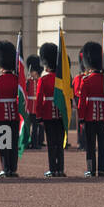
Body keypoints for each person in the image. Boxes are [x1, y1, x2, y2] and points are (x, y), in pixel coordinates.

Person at [75, 41, 104, 177]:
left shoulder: (86, 80)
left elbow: (82, 102)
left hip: (89, 116)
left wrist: (81, 117)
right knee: (102, 145)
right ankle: (101, 169)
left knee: (90, 145)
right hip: (103, 116)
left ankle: (90, 169)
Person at [33, 43, 65, 177]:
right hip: (62, 113)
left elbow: (39, 99)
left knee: (51, 143)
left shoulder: (43, 79)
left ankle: (53, 169)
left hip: (48, 114)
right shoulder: (62, 79)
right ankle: (60, 169)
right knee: (60, 143)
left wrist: (38, 116)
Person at [0, 40, 21, 177]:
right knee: (13, 143)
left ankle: (5, 168)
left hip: (1, 115)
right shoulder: (17, 79)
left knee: (4, 143)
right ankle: (13, 168)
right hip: (14, 115)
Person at [24, 55, 43, 150]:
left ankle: (35, 143)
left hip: (36, 108)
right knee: (27, 127)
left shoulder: (40, 81)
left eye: (33, 71)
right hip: (29, 107)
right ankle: (27, 143)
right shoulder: (27, 81)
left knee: (35, 128)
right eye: (31, 71)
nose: (31, 73)